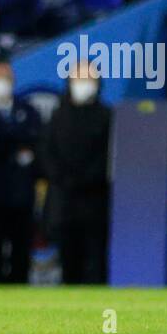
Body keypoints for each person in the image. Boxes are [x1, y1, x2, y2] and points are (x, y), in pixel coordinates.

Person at [42, 63, 111, 284]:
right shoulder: (57, 115)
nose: (84, 85)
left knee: (96, 260)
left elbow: (108, 155)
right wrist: (63, 178)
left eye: (89, 79)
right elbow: (46, 152)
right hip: (64, 201)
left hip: (96, 201)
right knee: (69, 261)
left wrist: (87, 178)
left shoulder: (107, 116)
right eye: (79, 79)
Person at [0, 61, 40, 283]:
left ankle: (20, 294)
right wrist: (14, 143)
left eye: (3, 78)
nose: (0, 84)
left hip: (21, 195)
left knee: (20, 251)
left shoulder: (28, 110)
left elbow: (35, 143)